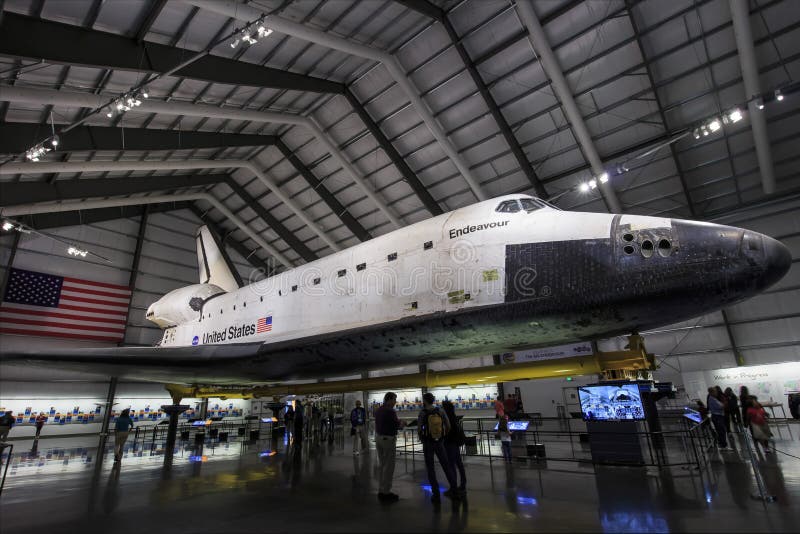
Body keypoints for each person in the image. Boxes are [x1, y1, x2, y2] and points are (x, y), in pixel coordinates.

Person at [417, 392, 459, 503]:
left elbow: (419, 429)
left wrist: (423, 438)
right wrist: (442, 436)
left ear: (425, 400)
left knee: (430, 468)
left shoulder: (423, 413)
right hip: (439, 442)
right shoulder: (440, 411)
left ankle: (435, 494)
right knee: (446, 465)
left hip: (428, 443)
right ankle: (454, 489)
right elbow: (448, 425)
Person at [374, 392, 406, 503]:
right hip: (388, 440)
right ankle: (386, 493)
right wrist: (402, 423)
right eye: (394, 399)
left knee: (383, 465)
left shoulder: (379, 410)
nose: (395, 402)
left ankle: (381, 489)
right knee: (389, 466)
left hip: (379, 438)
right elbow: (397, 426)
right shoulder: (390, 411)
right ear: (389, 399)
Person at [441, 400, 467, 495]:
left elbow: (446, 430)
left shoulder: (446, 418)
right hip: (455, 443)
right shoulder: (454, 417)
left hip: (449, 443)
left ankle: (453, 487)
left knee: (451, 465)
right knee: (459, 464)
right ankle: (463, 484)